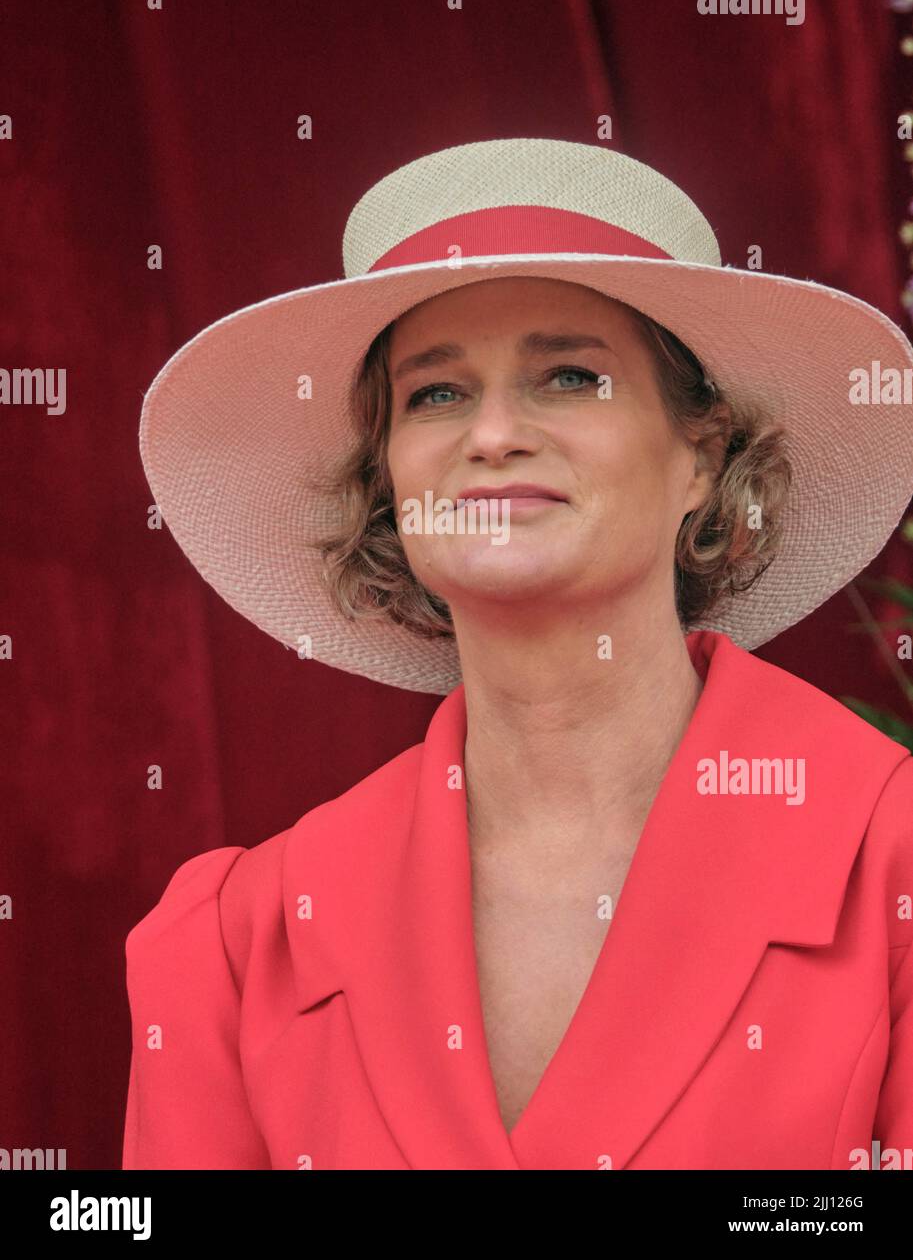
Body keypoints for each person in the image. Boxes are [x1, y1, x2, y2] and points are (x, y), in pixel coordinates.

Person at [123, 138, 913, 1170]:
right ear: (387, 478)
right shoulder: (237, 940)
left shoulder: (887, 857)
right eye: (436, 394)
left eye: (569, 376)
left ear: (701, 457)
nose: (493, 434)